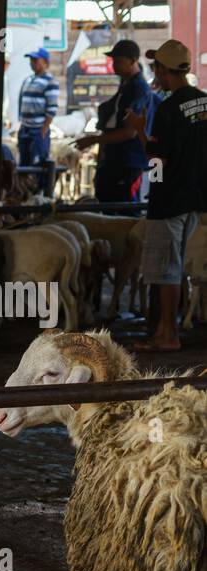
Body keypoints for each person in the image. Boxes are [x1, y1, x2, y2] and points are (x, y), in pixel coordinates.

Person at [124, 39, 207, 351]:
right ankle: (165, 331)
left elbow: (157, 159)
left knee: (166, 271)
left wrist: (140, 130)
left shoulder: (168, 108)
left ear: (163, 69)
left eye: (155, 65)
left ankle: (166, 335)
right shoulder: (204, 102)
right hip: (196, 201)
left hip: (169, 202)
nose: (153, 71)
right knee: (175, 266)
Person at [74, 39, 154, 205]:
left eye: (118, 61)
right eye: (113, 61)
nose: (114, 65)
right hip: (114, 160)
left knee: (125, 210)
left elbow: (129, 131)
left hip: (128, 162)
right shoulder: (126, 85)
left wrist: (94, 139)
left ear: (133, 61)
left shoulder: (139, 89)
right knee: (106, 206)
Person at [17, 48, 58, 166]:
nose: (32, 63)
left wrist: (43, 130)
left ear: (45, 62)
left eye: (35, 60)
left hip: (38, 130)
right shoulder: (27, 80)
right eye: (31, 60)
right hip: (24, 130)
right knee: (23, 166)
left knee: (38, 166)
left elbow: (52, 108)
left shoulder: (50, 81)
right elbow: (22, 104)